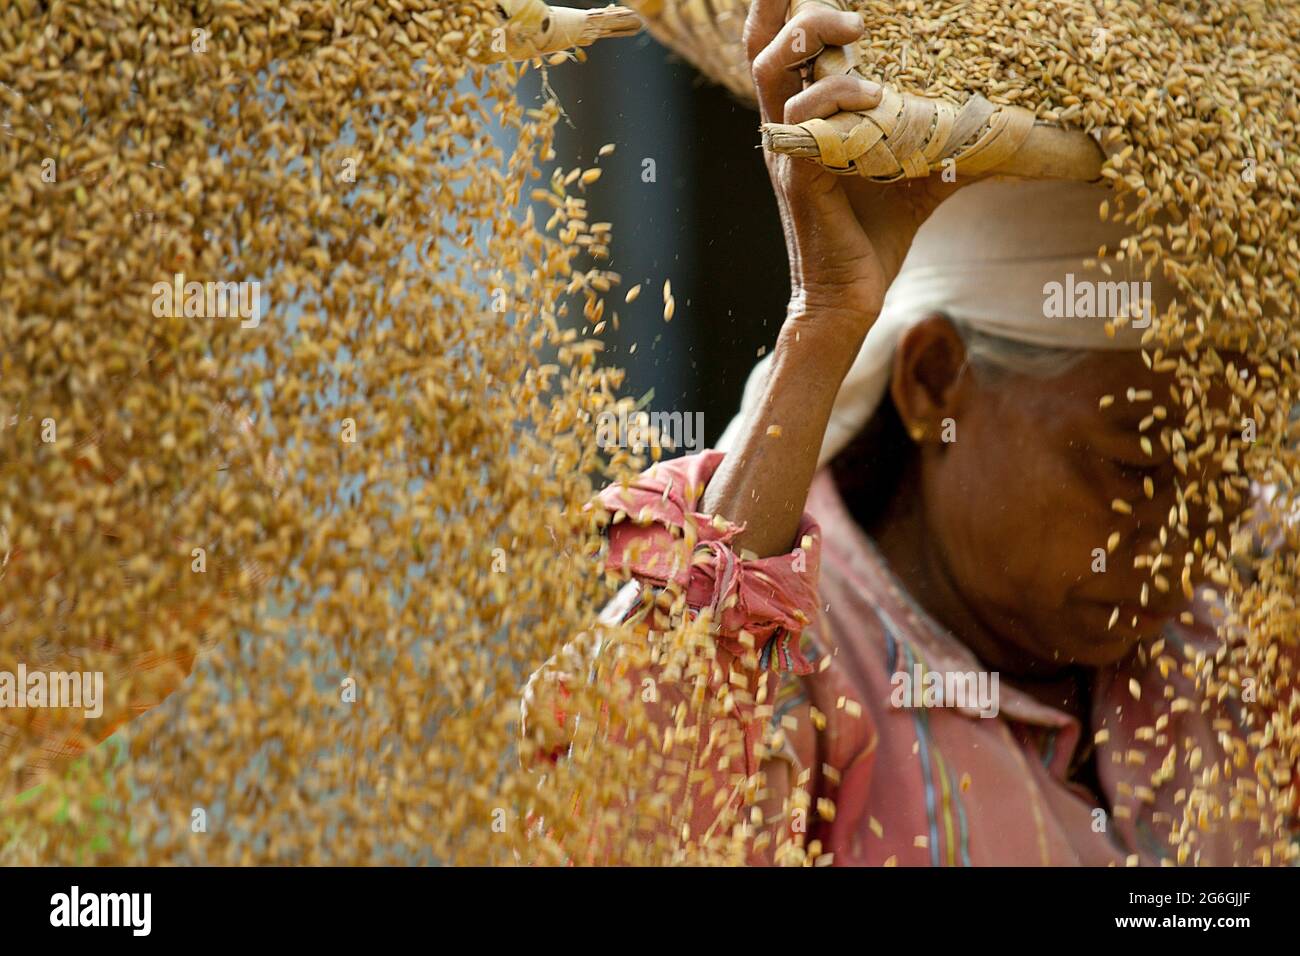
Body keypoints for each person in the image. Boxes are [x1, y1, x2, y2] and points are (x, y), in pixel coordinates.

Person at [523, 0, 1287, 865]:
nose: (1181, 540)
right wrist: (820, 325)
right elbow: (622, 823)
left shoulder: (1230, 650)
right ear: (933, 383)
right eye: (1132, 464)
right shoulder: (807, 665)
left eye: (1226, 474)